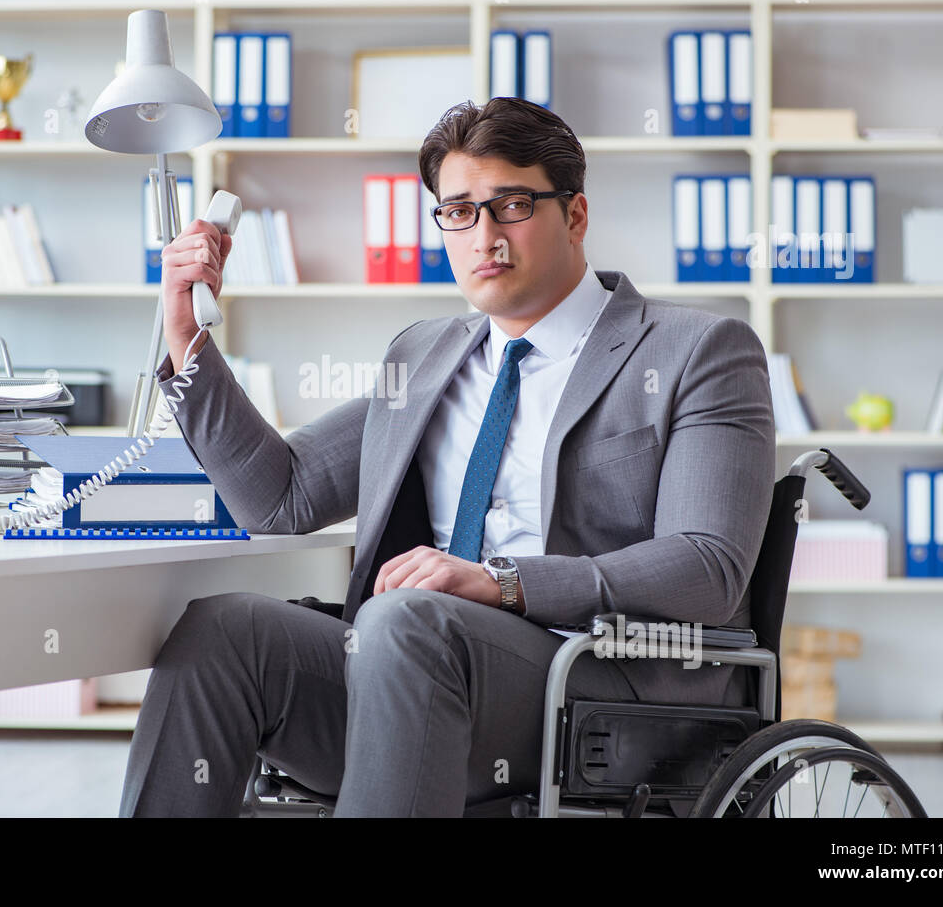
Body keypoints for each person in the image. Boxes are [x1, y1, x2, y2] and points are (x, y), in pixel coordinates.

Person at [118, 96, 775, 817]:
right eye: (459, 210)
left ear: (576, 215)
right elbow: (282, 495)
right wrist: (188, 343)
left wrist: (504, 582)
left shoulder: (696, 351)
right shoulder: (424, 355)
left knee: (406, 619)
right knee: (222, 631)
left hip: (599, 694)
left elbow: (708, 565)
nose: (484, 235)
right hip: (413, 676)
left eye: (512, 205)